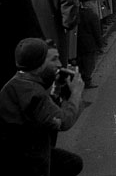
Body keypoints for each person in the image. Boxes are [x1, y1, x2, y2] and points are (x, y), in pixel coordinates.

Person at [0, 38, 84, 175]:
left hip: (20, 152)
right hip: (28, 161)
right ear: (38, 64)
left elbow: (42, 113)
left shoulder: (17, 83)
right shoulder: (33, 93)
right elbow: (63, 121)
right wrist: (76, 93)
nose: (59, 64)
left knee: (71, 162)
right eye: (54, 59)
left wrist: (56, 89)